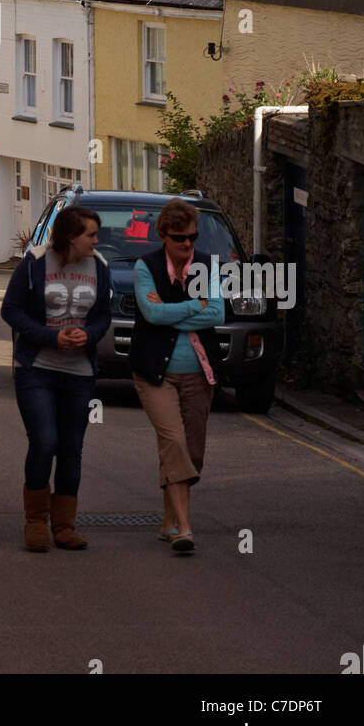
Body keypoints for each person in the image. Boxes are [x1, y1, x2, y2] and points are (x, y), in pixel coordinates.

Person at [1, 206, 111, 552]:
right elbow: (11, 310)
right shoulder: (34, 262)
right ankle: (35, 521)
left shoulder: (100, 267)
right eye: (90, 235)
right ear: (70, 237)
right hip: (36, 369)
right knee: (45, 441)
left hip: (79, 373)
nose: (96, 241)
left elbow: (104, 316)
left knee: (71, 449)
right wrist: (51, 337)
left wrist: (89, 335)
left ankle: (64, 525)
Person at [130, 197, 223, 555]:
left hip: (200, 372)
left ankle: (168, 520)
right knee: (174, 442)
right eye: (180, 238)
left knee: (193, 453)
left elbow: (215, 311)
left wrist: (174, 310)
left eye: (192, 238)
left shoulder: (206, 266)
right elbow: (151, 315)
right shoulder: (146, 266)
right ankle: (185, 528)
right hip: (155, 373)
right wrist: (192, 307)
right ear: (163, 236)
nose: (188, 245)